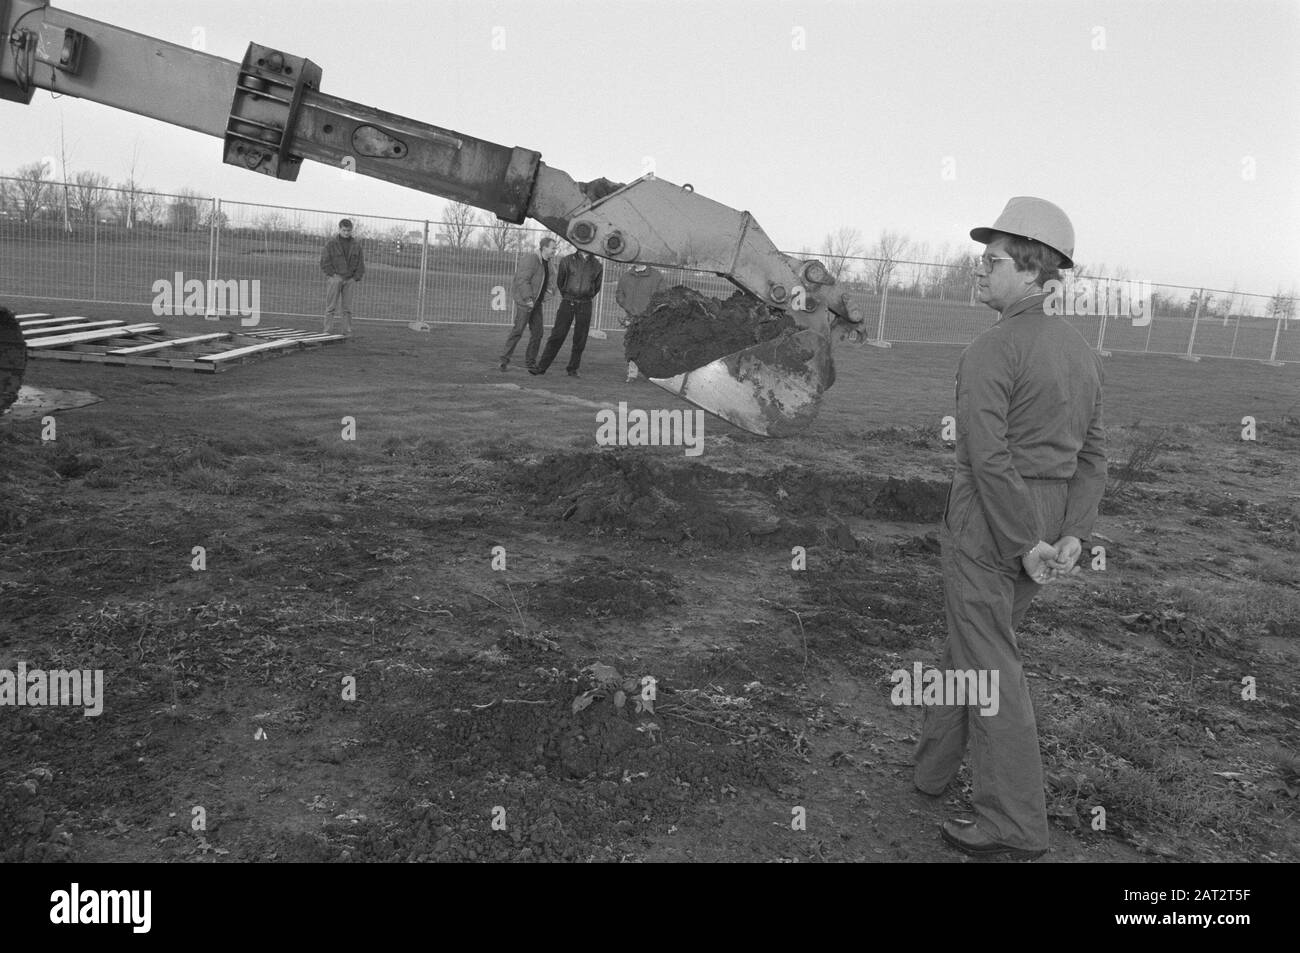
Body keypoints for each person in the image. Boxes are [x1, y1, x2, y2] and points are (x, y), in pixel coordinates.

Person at [913, 196, 1106, 859]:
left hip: (993, 523)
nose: (978, 267)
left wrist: (1024, 543)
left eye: (991, 259)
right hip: (1047, 519)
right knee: (971, 642)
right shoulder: (1081, 350)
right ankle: (932, 768)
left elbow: (986, 458)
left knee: (989, 663)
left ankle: (1015, 822)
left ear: (1031, 271)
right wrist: (1072, 534)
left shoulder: (994, 347)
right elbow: (1092, 456)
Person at [532, 247, 603, 377]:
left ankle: (573, 368)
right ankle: (541, 367)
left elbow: (597, 286)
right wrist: (568, 295)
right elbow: (561, 281)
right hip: (568, 301)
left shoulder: (597, 265)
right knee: (557, 335)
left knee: (580, 338)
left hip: (585, 304)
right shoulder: (567, 260)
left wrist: (587, 295)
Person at [500, 236, 557, 371]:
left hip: (536, 304)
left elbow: (550, 284)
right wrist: (528, 299)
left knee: (538, 333)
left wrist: (543, 298)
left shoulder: (549, 264)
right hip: (526, 303)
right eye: (553, 248)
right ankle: (504, 360)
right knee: (518, 330)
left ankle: (530, 362)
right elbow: (522, 280)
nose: (555, 250)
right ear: (544, 248)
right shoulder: (531, 259)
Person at [616, 263, 668, 383]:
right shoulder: (626, 276)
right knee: (632, 345)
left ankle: (652, 373)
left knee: (651, 345)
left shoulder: (656, 276)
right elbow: (619, 293)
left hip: (651, 317)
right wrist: (627, 306)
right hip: (632, 317)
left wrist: (651, 311)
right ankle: (632, 374)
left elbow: (663, 296)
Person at [320, 218, 365, 336]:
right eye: (344, 230)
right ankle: (327, 331)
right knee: (331, 307)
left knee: (347, 309)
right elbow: (324, 261)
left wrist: (355, 278)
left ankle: (347, 331)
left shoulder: (356, 245)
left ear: (351, 230)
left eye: (349, 230)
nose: (346, 233)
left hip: (350, 280)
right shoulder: (331, 244)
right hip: (335, 279)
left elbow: (360, 264)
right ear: (339, 229)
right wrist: (333, 275)